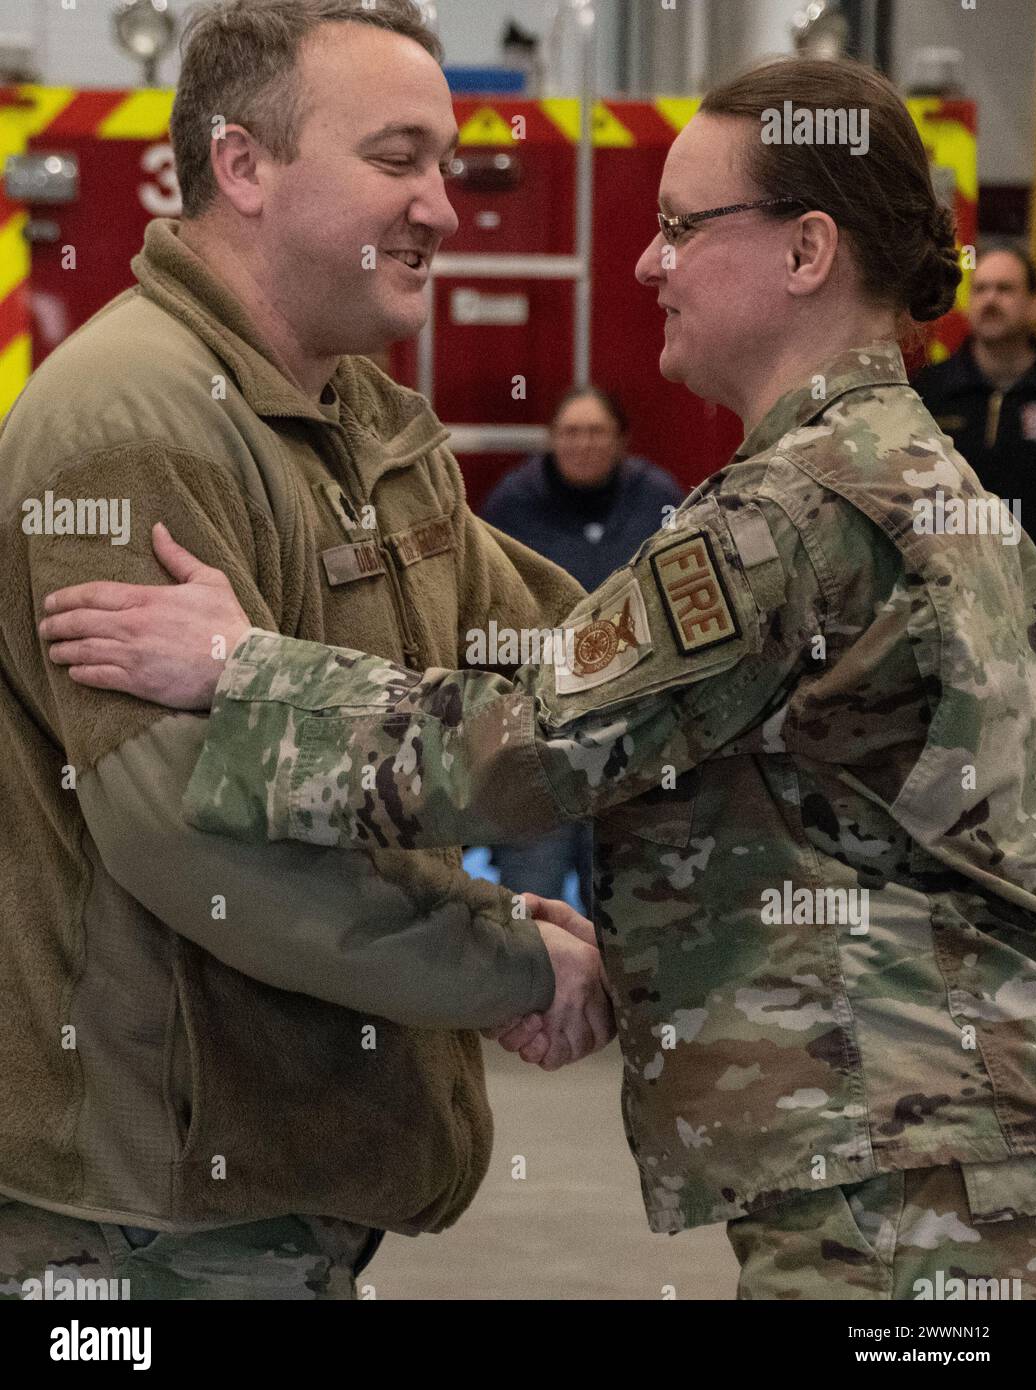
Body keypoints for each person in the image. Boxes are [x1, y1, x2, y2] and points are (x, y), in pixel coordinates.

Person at [39, 55, 1036, 1302]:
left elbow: (531, 737)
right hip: (935, 1142)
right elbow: (604, 660)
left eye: (681, 228)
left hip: (896, 1173)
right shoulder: (918, 481)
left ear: (805, 253)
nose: (645, 264)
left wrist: (241, 669)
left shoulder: (794, 513)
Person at [0, 0, 615, 1303]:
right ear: (244, 167)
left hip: (280, 1181)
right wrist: (503, 954)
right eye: (399, 160)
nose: (445, 207)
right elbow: (191, 839)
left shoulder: (363, 419)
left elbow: (557, 662)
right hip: (146, 1211)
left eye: (446, 164)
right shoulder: (132, 424)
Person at [482, 386, 684, 910]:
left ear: (621, 441)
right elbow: (482, 613)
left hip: (633, 740)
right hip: (537, 740)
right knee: (530, 903)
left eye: (596, 432)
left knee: (628, 908)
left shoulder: (657, 497)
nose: (583, 443)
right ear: (551, 440)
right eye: (571, 432)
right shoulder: (511, 504)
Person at [915, 243, 1036, 544]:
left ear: (1035, 303)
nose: (990, 299)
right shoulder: (928, 392)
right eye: (981, 289)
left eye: (1005, 289)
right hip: (955, 575)